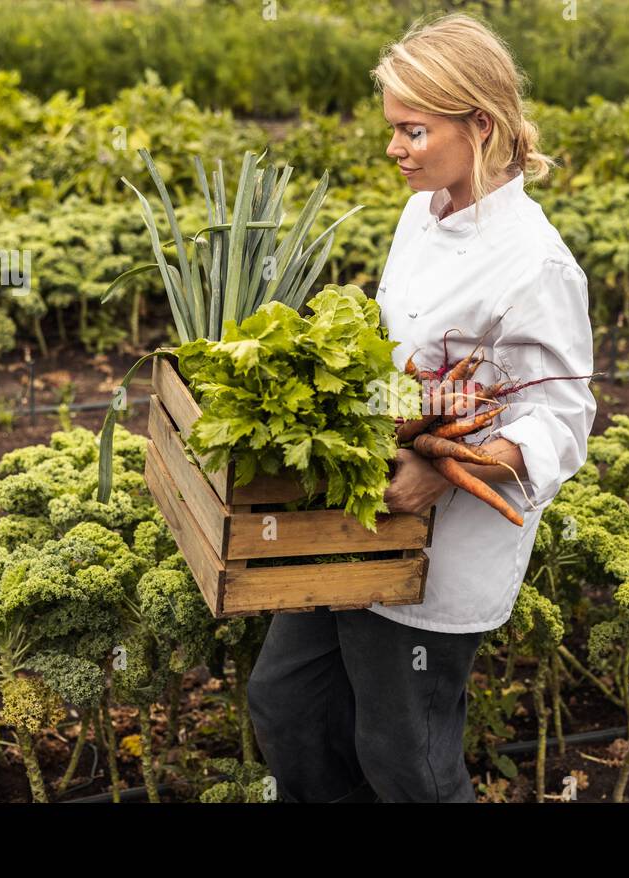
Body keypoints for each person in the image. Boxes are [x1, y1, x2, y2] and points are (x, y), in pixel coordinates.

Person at [246, 12, 596, 803]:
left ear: (479, 124)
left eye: (412, 129)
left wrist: (445, 472)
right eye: (393, 129)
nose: (394, 148)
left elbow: (563, 419)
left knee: (406, 760)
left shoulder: (536, 264)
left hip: (438, 552)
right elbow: (392, 352)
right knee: (288, 704)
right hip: (354, 519)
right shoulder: (422, 214)